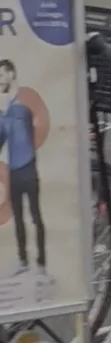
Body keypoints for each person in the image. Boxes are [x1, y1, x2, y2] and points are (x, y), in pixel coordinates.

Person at [0, 61, 47, 283]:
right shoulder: (5, 112)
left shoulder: (23, 107)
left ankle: (42, 265)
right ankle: (23, 261)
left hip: (28, 169)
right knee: (18, 218)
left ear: (12, 74)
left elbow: (32, 133)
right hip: (14, 172)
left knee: (36, 217)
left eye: (1, 75)